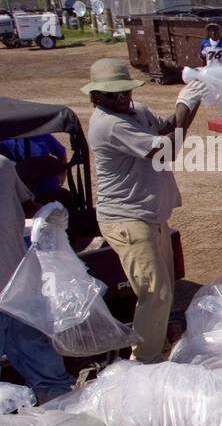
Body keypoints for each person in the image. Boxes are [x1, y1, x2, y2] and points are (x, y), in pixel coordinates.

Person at [83, 58, 200, 363]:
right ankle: (145, 362)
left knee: (165, 290)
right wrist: (187, 102)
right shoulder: (108, 125)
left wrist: (193, 98)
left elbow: (170, 127)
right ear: (97, 97)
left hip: (151, 216)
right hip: (128, 218)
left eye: (124, 92)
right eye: (112, 95)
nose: (121, 98)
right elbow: (167, 149)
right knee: (155, 292)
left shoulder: (138, 112)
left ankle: (156, 346)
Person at [0, 155, 74, 402]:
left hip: (17, 287)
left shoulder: (3, 166)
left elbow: (22, 203)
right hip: (18, 288)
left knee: (48, 375)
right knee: (48, 376)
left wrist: (49, 213)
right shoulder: (3, 165)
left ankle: (60, 422)